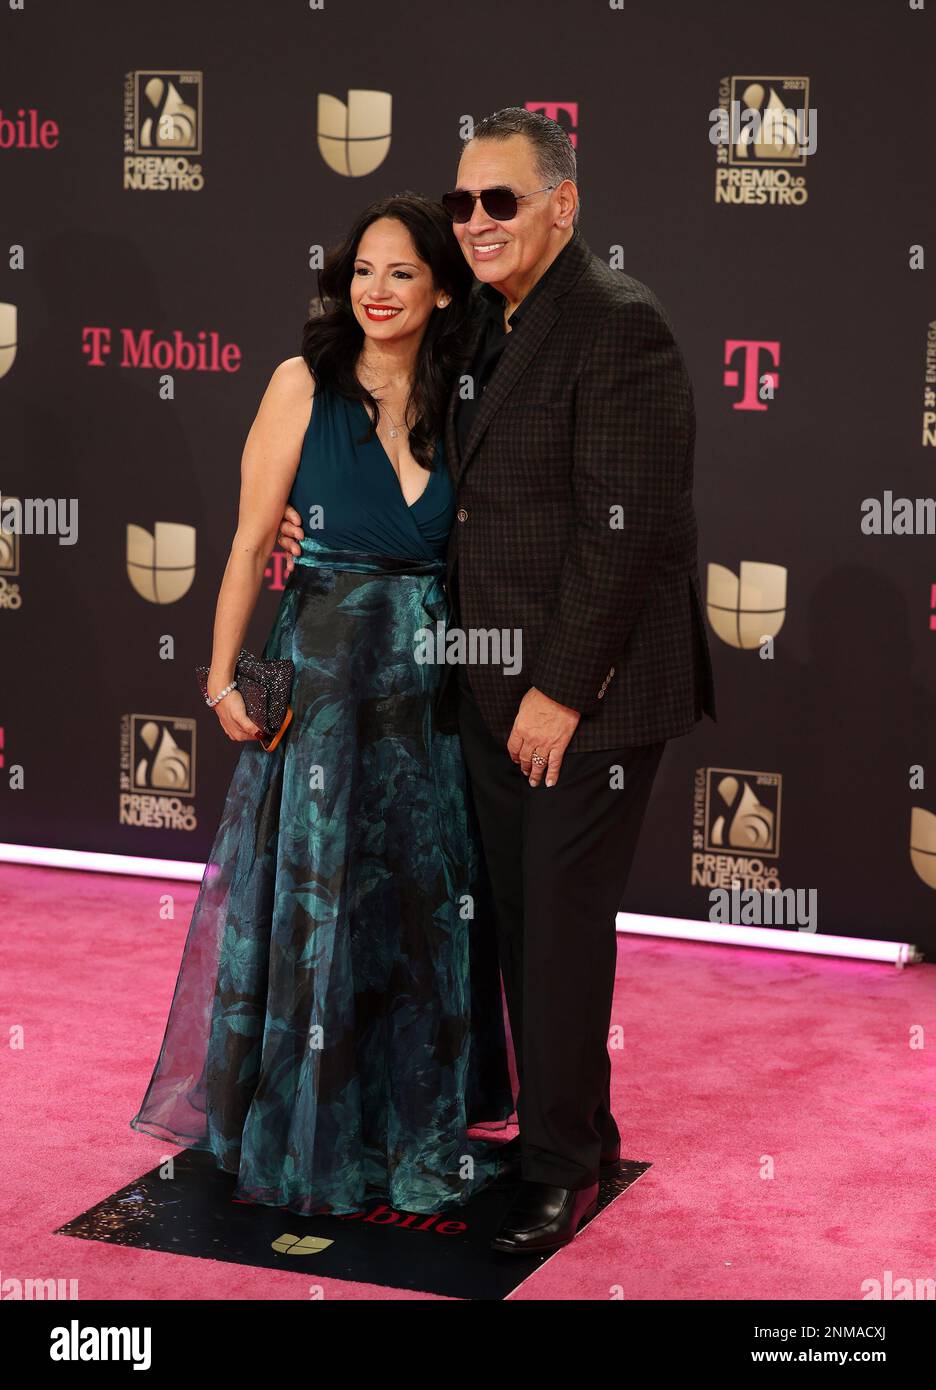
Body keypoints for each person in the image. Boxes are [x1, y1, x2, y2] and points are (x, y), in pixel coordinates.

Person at [277, 109, 717, 1253]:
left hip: (591, 693)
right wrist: (305, 515)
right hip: (488, 682)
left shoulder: (618, 326)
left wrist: (564, 690)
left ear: (562, 206)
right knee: (520, 918)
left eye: (501, 201)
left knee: (562, 925)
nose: (475, 221)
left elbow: (624, 536)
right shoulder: (487, 324)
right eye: (463, 202)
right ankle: (576, 1128)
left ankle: (562, 1167)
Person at [130, 193, 514, 1218]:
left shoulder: (466, 393)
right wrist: (217, 681)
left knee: (420, 920)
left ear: (441, 288)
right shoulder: (302, 383)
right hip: (324, 689)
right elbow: (253, 543)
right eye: (361, 272)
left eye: (400, 273)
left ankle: (411, 1132)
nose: (376, 292)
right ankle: (310, 1137)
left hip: (428, 701)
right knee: (317, 911)